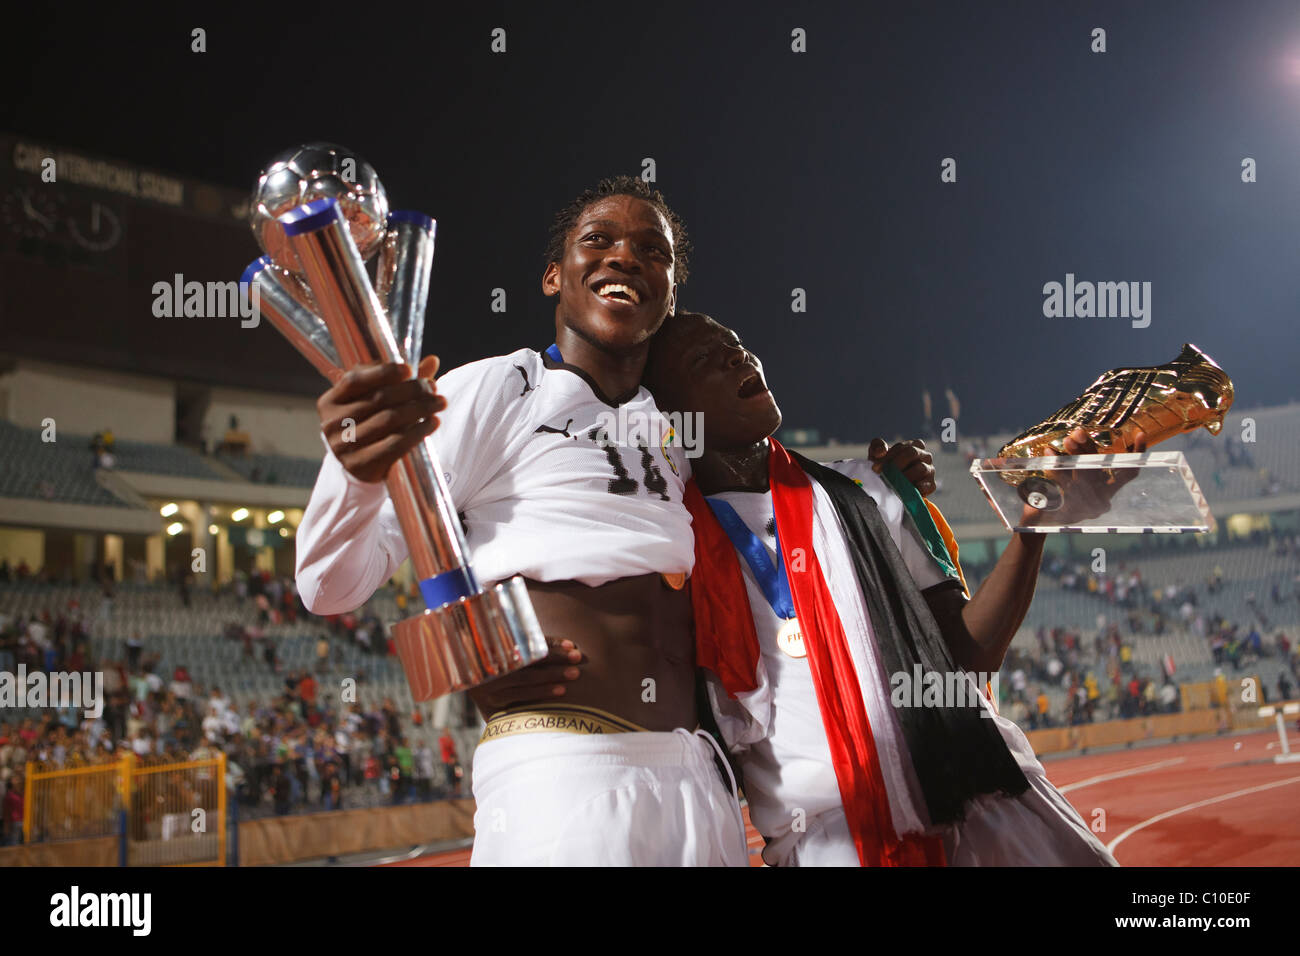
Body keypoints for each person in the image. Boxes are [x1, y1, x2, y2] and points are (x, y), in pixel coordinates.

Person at [295, 176, 748, 866]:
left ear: (671, 291)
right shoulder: (492, 388)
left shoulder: (680, 426)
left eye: (651, 251)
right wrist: (354, 472)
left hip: (695, 773)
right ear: (552, 277)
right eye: (598, 241)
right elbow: (328, 586)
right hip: (562, 773)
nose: (624, 256)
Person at [640, 310, 1137, 866]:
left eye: (736, 344)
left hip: (988, 812)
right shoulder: (671, 552)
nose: (737, 356)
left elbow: (968, 658)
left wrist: (1034, 526)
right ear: (668, 414)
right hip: (830, 845)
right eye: (703, 360)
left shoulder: (865, 490)